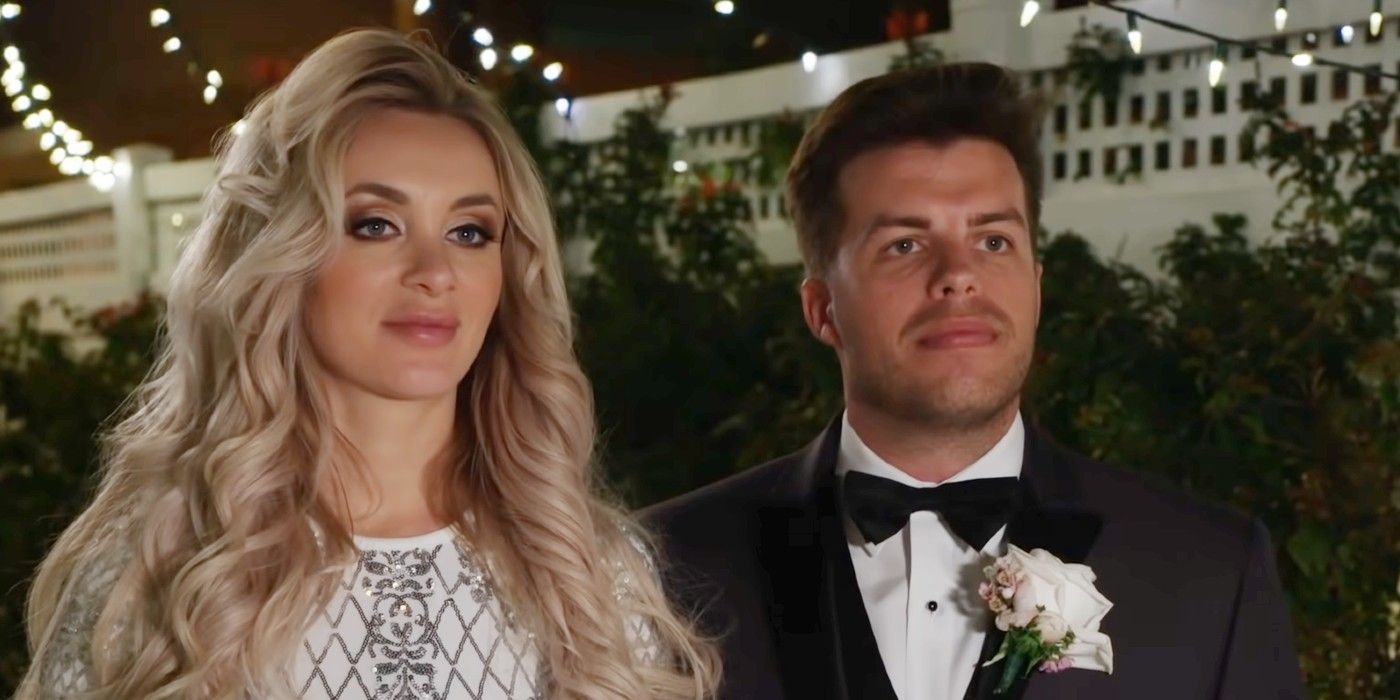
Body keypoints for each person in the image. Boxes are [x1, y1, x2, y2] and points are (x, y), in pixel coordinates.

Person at [17, 28, 719, 700]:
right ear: (281, 255)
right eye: (376, 225)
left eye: (469, 232)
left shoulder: (590, 572)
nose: (435, 272)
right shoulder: (158, 575)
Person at [644, 63, 1304, 700]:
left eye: (993, 241)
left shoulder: (1211, 571)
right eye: (904, 245)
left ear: (1036, 290)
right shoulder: (662, 570)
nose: (958, 275)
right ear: (822, 310)